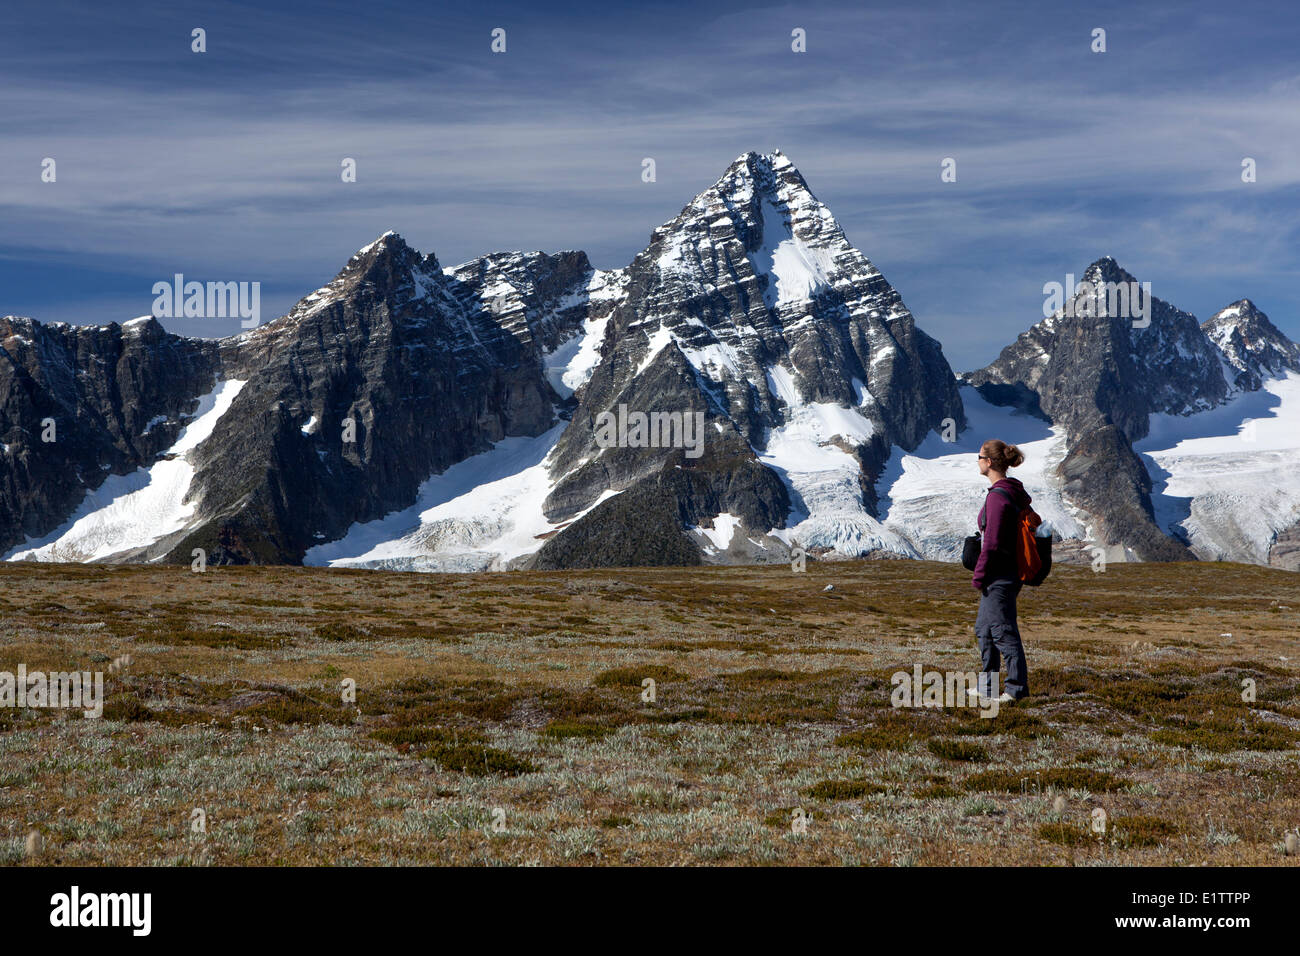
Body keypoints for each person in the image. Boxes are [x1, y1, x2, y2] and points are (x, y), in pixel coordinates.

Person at [970, 439, 1031, 702]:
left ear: (990, 461)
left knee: (1003, 631)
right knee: (984, 630)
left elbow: (992, 543)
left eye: (980, 456)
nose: (978, 460)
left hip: (999, 575)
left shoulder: (998, 497)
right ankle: (987, 687)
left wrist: (979, 574)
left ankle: (1016, 690)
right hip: (1005, 573)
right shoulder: (1009, 492)